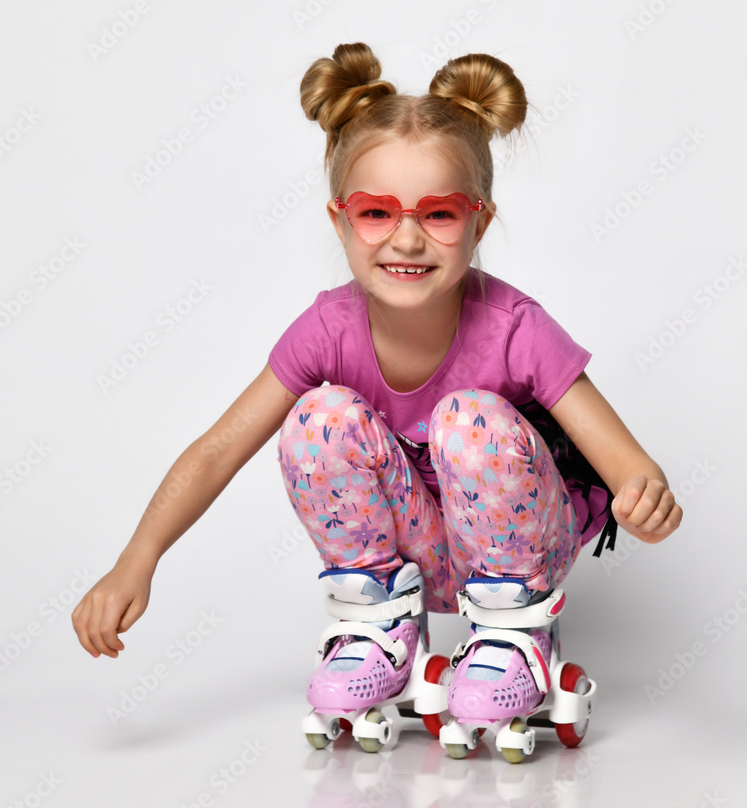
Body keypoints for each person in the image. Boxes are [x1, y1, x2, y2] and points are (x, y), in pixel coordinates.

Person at [72, 43, 681, 738]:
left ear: (479, 222)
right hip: (419, 547)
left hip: (522, 549)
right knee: (317, 417)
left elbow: (629, 466)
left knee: (468, 418)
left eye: (439, 215)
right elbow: (217, 451)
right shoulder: (328, 328)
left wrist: (646, 496)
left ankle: (517, 635)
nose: (408, 239)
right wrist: (136, 561)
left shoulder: (515, 327)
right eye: (376, 213)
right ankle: (381, 626)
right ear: (341, 222)